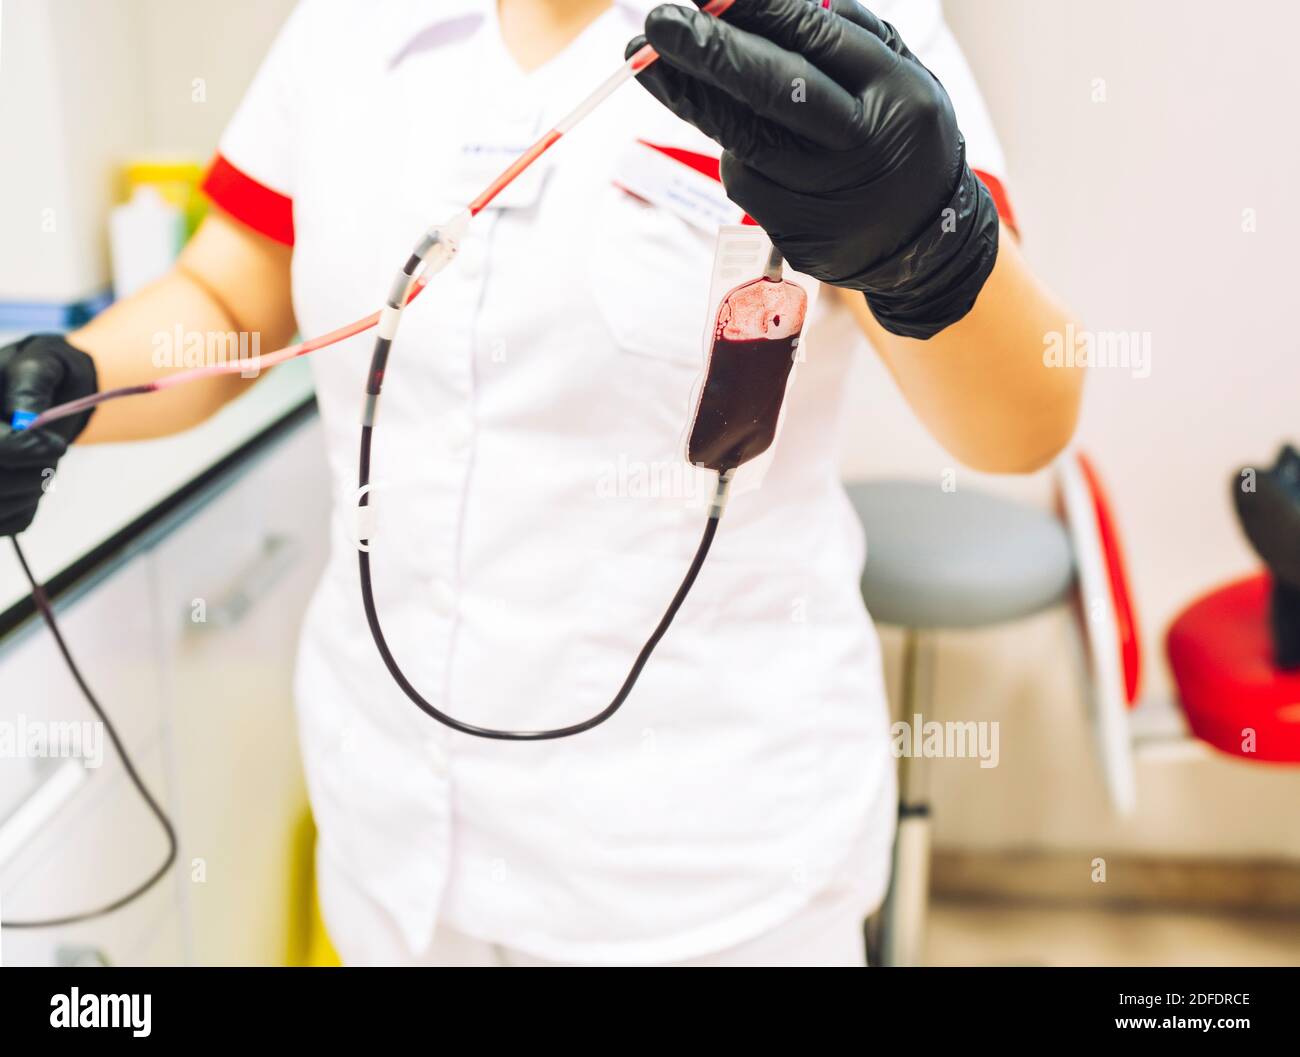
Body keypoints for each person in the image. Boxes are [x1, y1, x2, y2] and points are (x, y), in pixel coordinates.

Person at [0, 0, 1082, 966]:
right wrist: (75, 378)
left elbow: (1021, 423)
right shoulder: (345, 25)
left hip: (703, 876)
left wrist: (926, 250)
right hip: (392, 838)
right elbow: (232, 295)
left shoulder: (824, 28)